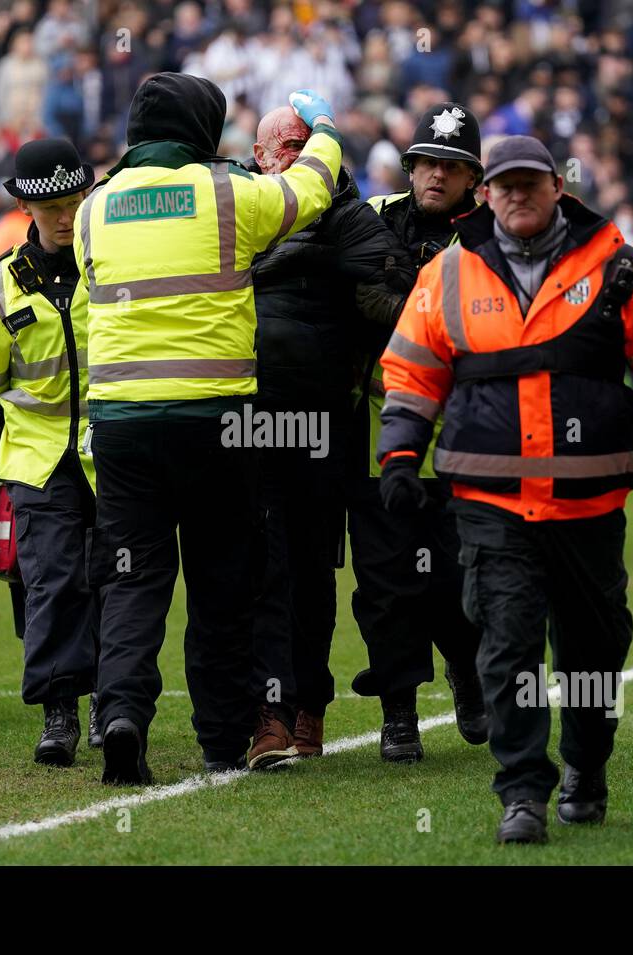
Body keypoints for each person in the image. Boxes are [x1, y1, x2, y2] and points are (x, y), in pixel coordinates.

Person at [376, 136, 633, 843]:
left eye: (530, 183)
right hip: (491, 508)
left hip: (589, 506)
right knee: (506, 645)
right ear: (485, 192)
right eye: (504, 184)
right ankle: (522, 791)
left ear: (559, 186)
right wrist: (399, 457)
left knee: (592, 651)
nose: (516, 195)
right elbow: (412, 371)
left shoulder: (620, 266)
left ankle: (588, 766)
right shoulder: (449, 273)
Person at [75, 74, 343, 783]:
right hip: (218, 421)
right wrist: (325, 132)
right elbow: (309, 193)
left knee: (132, 577)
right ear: (202, 130)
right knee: (222, 578)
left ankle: (124, 713)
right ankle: (222, 738)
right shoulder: (229, 195)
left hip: (124, 422)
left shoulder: (93, 209)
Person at [248, 106, 415, 759]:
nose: (287, 157)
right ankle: (271, 711)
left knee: (313, 569)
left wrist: (330, 206)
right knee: (264, 566)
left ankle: (308, 704)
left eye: (301, 146)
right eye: (277, 146)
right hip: (253, 418)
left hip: (323, 422)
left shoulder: (347, 213)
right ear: (258, 154)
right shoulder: (241, 205)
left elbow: (393, 278)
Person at [351, 102, 488, 762]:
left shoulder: (491, 242)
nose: (437, 175)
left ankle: (466, 670)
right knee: (385, 586)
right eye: (428, 162)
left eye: (452, 166)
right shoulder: (371, 219)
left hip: (464, 443)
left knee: (458, 581)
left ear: (473, 179)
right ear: (410, 167)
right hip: (380, 440)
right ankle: (398, 710)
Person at [0, 138, 100, 766]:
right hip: (35, 459)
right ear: (25, 206)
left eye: (76, 202)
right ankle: (59, 710)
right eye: (53, 207)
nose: (66, 216)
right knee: (53, 582)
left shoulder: (114, 267)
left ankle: (111, 703)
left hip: (111, 451)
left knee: (114, 582)